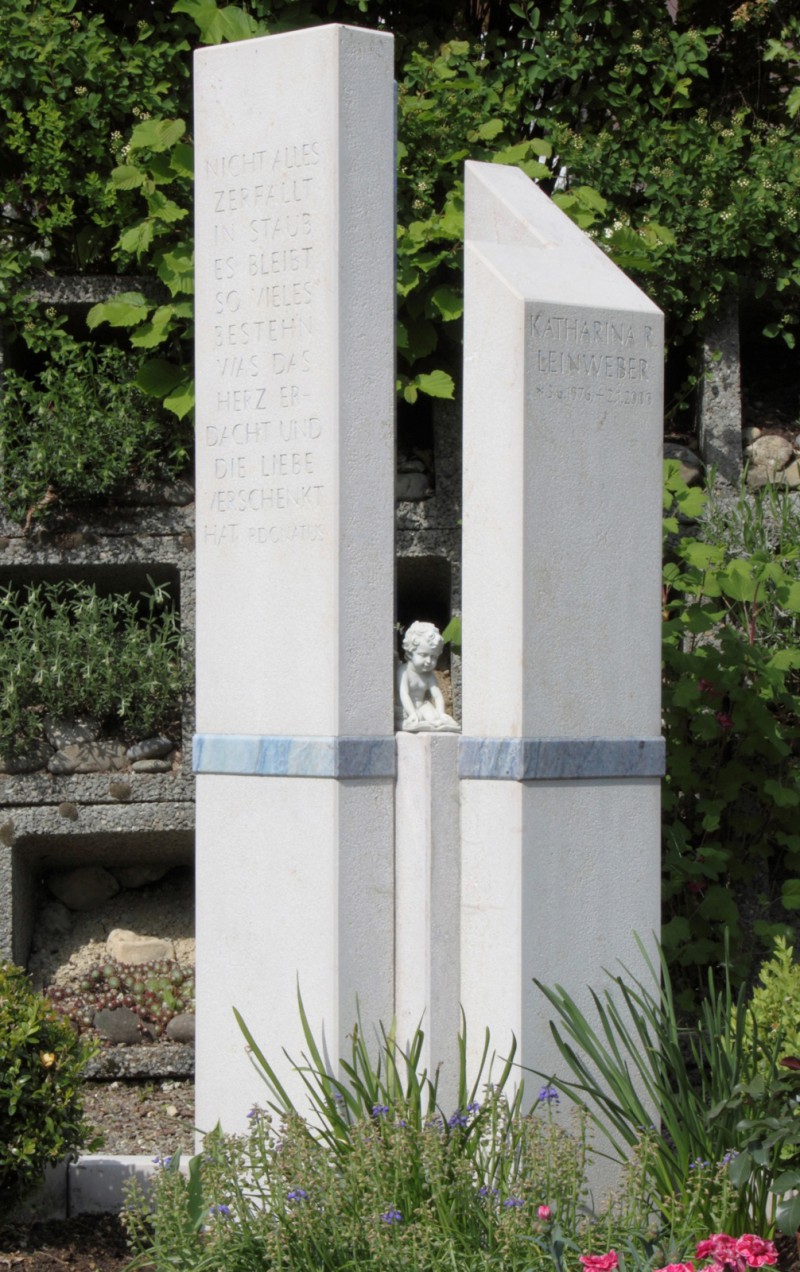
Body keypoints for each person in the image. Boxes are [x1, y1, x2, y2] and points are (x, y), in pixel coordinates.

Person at [395, 621, 458, 732]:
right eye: (423, 655)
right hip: (404, 709)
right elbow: (404, 694)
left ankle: (433, 722)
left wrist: (441, 713)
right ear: (410, 652)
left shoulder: (429, 675)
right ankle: (411, 722)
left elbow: (437, 696)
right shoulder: (403, 672)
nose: (429, 661)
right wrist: (412, 713)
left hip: (422, 706)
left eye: (433, 657)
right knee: (415, 717)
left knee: (433, 716)